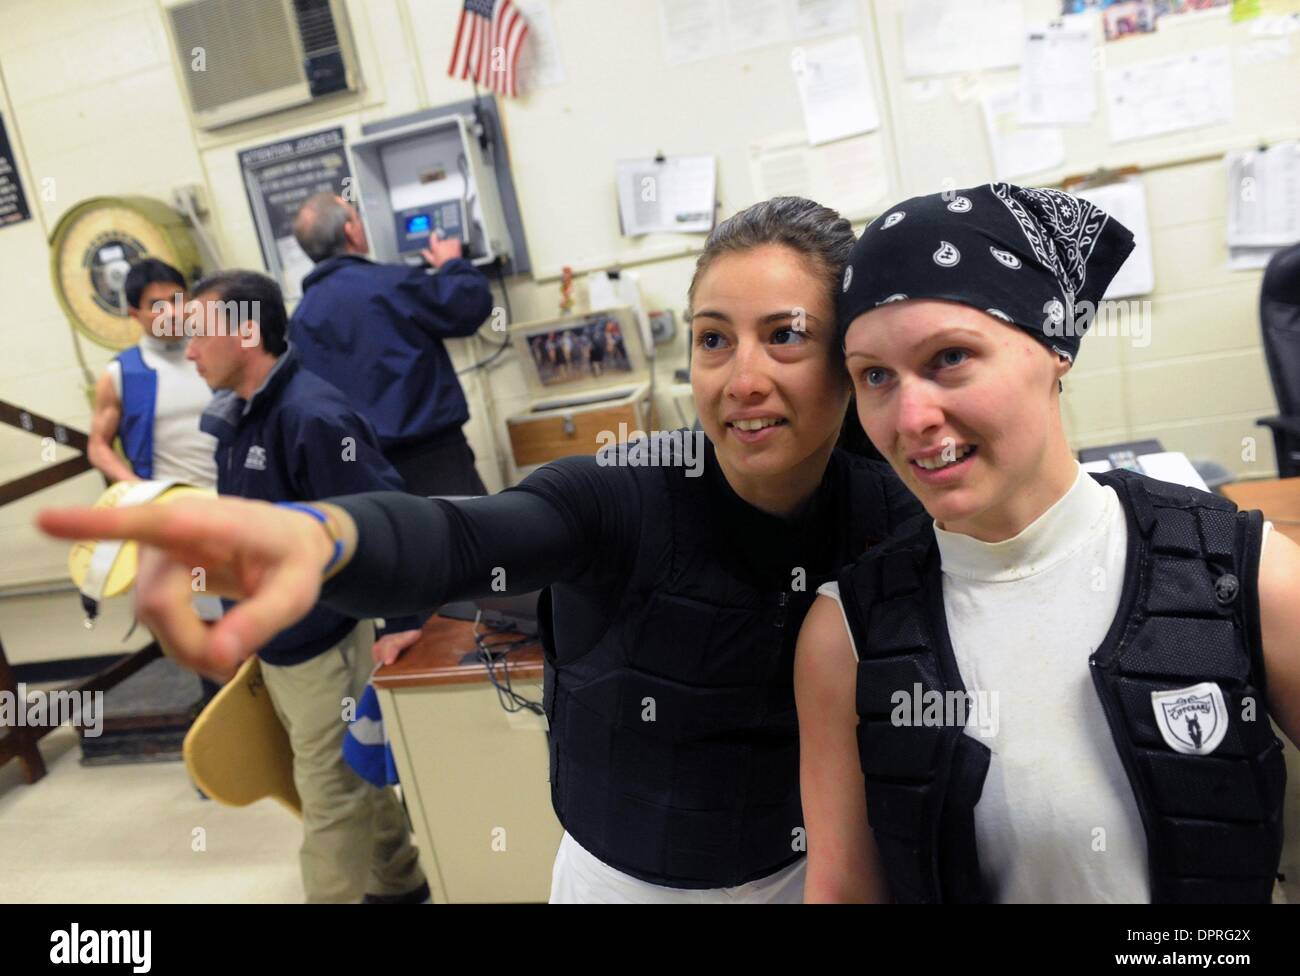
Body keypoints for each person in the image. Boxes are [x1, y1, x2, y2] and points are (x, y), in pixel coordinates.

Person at [38, 197, 923, 904]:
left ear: (847, 357)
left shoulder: (892, 513)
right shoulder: (628, 494)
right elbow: (462, 534)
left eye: (786, 335)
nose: (743, 377)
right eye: (713, 339)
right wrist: (323, 534)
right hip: (620, 882)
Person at [795, 182, 1300, 903]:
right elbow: (844, 890)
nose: (911, 416)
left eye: (950, 357)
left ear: (1054, 346)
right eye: (875, 375)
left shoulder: (1240, 570)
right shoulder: (846, 635)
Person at [181, 269, 429, 904]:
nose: (188, 350)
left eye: (197, 332)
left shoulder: (311, 416)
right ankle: (401, 885)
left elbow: (387, 516)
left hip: (326, 646)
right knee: (348, 784)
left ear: (244, 332)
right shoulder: (236, 419)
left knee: (330, 800)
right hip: (280, 647)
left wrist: (404, 624)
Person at [289, 192, 494, 497]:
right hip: (436, 457)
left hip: (363, 470)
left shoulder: (301, 318)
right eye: (356, 218)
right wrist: (453, 264)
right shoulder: (392, 284)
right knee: (467, 539)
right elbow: (468, 304)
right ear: (350, 230)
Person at [88, 259, 216, 489]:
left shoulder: (218, 354)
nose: (172, 313)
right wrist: (137, 488)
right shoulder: (120, 374)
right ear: (135, 314)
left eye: (177, 301)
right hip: (170, 506)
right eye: (157, 306)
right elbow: (98, 446)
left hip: (238, 498)